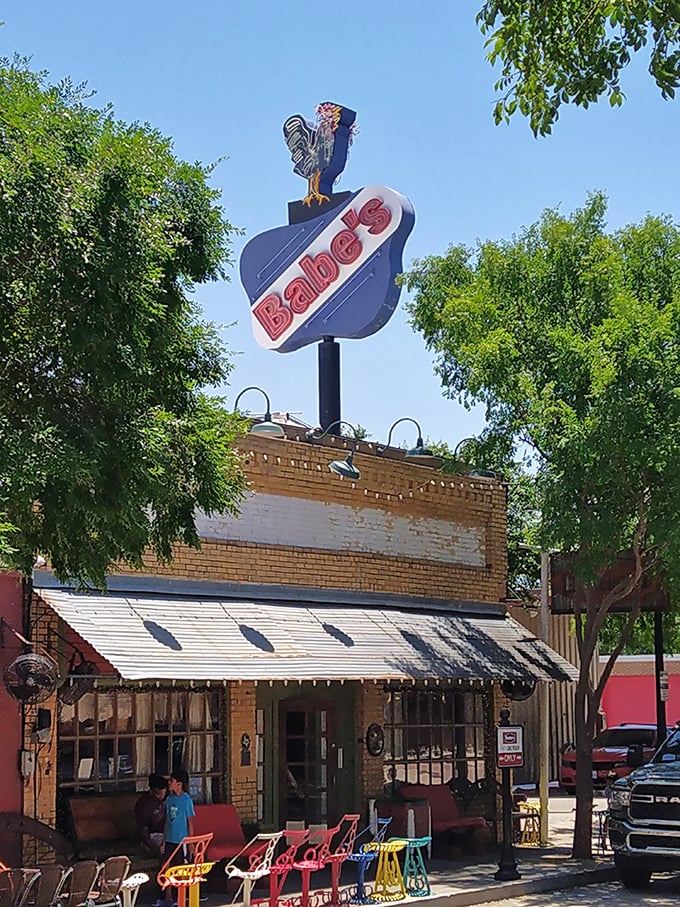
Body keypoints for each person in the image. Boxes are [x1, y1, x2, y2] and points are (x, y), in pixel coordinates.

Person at [156, 768, 195, 907]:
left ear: (179, 784)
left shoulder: (186, 800)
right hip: (170, 839)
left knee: (181, 868)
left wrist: (191, 842)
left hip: (182, 841)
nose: (169, 783)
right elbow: (167, 821)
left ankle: (181, 897)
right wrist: (163, 841)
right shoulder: (169, 799)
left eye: (171, 781)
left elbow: (190, 822)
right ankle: (168, 897)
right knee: (166, 867)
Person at [135, 773, 167, 855]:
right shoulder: (144, 804)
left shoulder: (165, 801)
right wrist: (149, 844)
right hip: (151, 836)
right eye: (159, 794)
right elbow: (143, 828)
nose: (161, 796)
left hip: (165, 835)